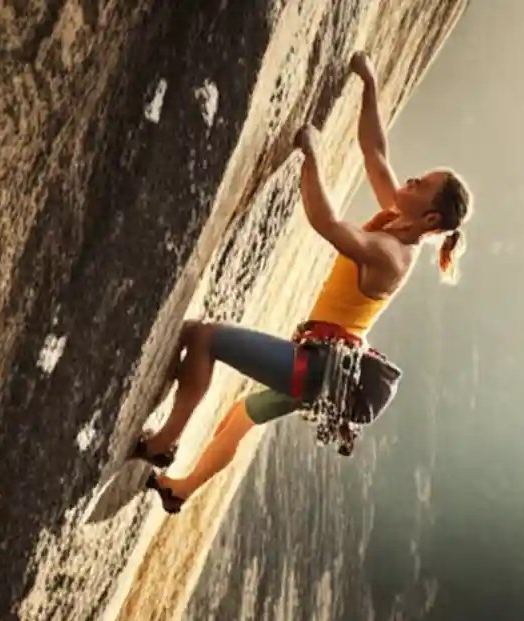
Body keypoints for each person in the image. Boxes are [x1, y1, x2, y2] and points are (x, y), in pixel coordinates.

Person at [134, 51, 473, 514]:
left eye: (419, 184)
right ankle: (179, 490)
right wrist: (370, 82)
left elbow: (327, 223)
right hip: (329, 367)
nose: (409, 180)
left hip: (316, 370)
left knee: (204, 336)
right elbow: (375, 152)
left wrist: (311, 153)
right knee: (239, 419)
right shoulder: (398, 219)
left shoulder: (391, 255)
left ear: (429, 216)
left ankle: (163, 444)